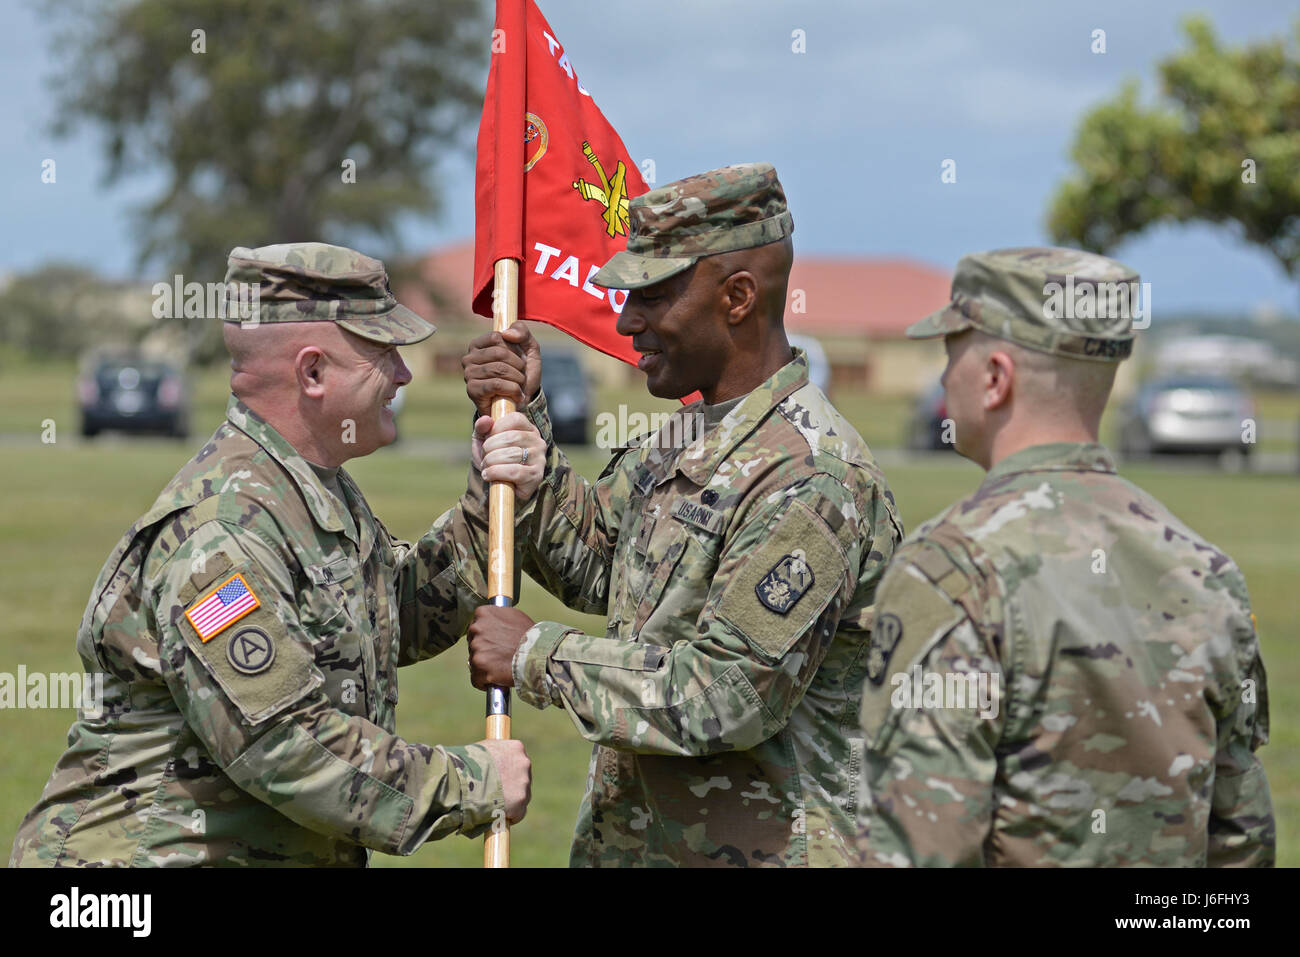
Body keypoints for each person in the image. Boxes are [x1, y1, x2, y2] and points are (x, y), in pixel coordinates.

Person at [10, 242, 543, 867]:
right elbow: (284, 743)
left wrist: (493, 494)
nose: (403, 375)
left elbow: (395, 617)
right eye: (383, 353)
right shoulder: (224, 531)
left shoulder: (306, 488)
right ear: (313, 373)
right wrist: (471, 783)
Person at [462, 163, 904, 867]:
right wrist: (529, 437)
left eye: (653, 295)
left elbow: (725, 694)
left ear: (737, 297)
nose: (627, 320)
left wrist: (535, 653)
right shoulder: (681, 436)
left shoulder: (812, 476)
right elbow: (598, 568)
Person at [856, 246, 1275, 867]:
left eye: (951, 354)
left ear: (996, 378)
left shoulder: (950, 570)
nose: (944, 378)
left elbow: (920, 848)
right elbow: (1241, 840)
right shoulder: (1206, 570)